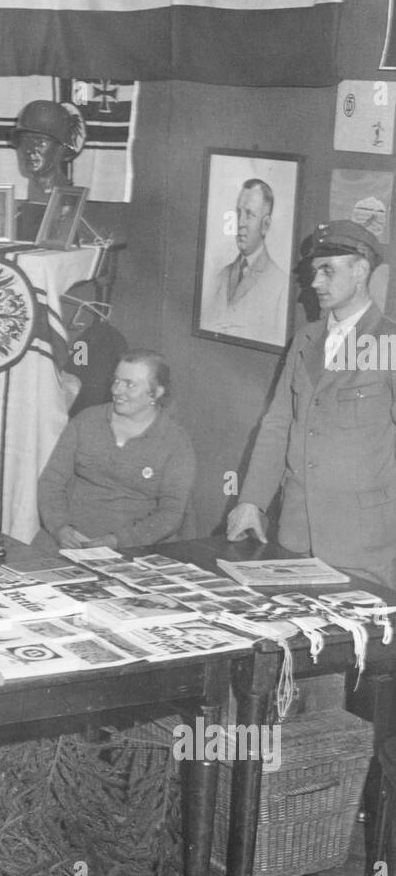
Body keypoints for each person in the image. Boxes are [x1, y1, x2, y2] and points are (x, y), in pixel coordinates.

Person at [227, 219, 396, 588]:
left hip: (365, 548)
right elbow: (276, 426)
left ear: (361, 270)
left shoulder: (388, 342)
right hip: (295, 538)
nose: (315, 283)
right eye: (314, 272)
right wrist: (252, 501)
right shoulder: (306, 339)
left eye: (327, 271)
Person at [36, 350, 196, 551]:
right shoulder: (86, 421)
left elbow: (171, 513)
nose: (117, 390)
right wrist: (60, 527)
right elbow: (51, 482)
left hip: (134, 548)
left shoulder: (175, 442)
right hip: (69, 541)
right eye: (116, 380)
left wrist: (120, 541)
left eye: (130, 384)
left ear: (156, 393)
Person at [201, 179, 290, 347]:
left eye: (249, 215)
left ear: (265, 225)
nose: (240, 223)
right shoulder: (221, 276)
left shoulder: (281, 285)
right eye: (238, 213)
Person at [9, 99, 87, 239]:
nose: (29, 150)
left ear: (60, 149)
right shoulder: (21, 208)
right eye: (25, 141)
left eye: (40, 142)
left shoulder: (68, 202)